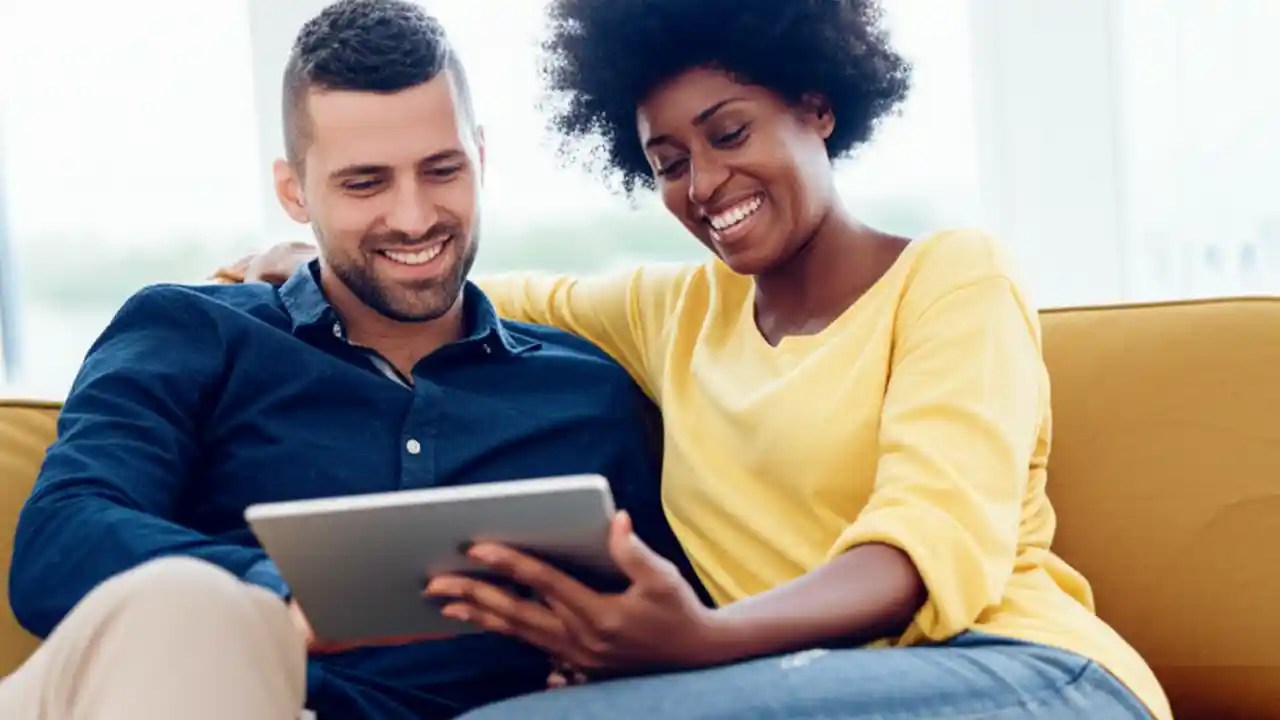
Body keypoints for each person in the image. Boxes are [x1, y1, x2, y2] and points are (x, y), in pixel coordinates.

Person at [230, 0, 1172, 718]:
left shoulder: (953, 278)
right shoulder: (675, 312)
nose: (705, 183)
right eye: (668, 161)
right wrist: (313, 261)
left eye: (729, 133)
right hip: (796, 689)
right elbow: (488, 294)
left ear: (817, 104)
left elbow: (915, 552)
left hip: (1032, 675)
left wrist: (702, 639)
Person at [0, 2, 699, 719]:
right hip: (214, 686)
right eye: (366, 183)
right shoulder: (190, 330)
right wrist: (282, 595)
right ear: (294, 191)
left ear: (481, 159)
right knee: (188, 604)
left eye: (442, 170)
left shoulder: (585, 392)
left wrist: (611, 664)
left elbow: (660, 616)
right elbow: (62, 538)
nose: (414, 216)